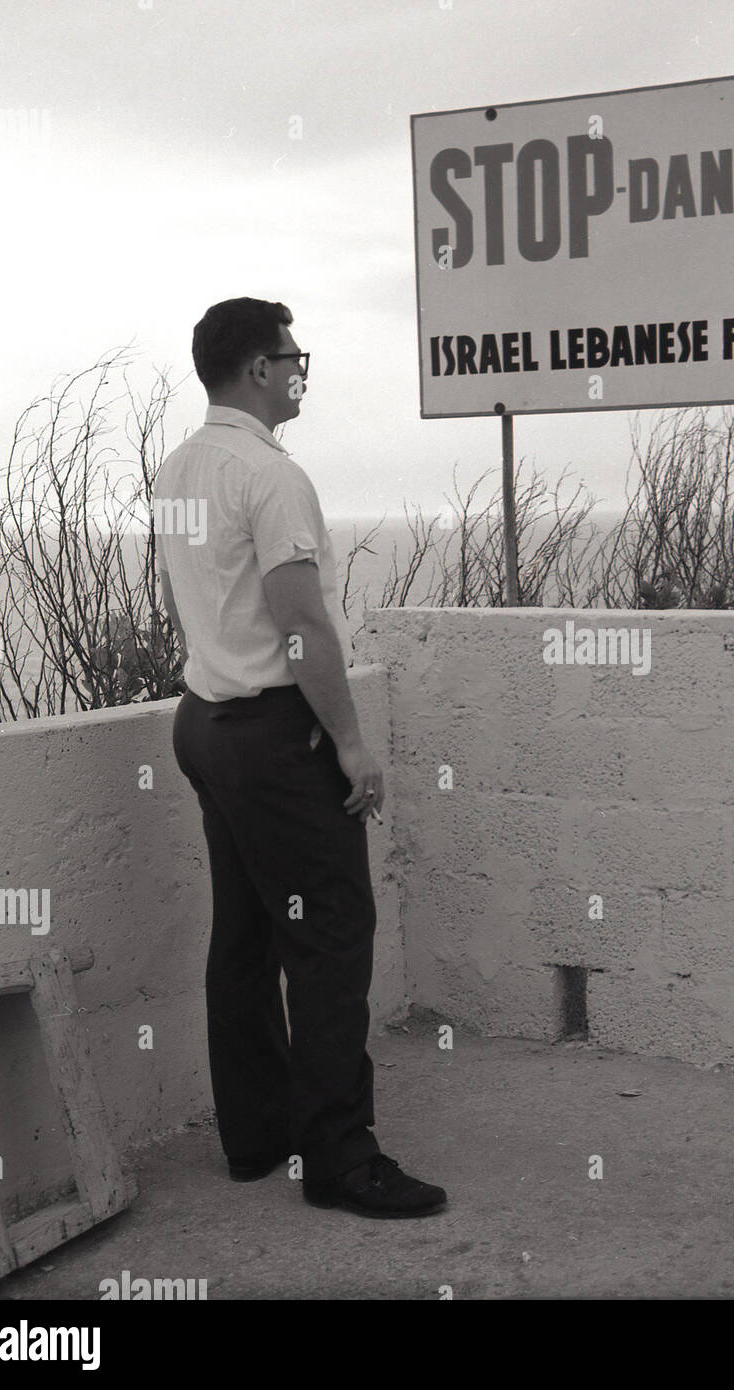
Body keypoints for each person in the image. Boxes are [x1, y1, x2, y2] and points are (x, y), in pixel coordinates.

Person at [156, 297, 446, 1218]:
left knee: (243, 937)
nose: (299, 372)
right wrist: (353, 745)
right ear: (254, 369)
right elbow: (301, 623)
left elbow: (194, 601)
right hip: (275, 740)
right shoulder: (269, 477)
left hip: (205, 721)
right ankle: (339, 1163)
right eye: (291, 357)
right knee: (329, 939)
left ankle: (256, 1138)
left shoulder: (179, 468)